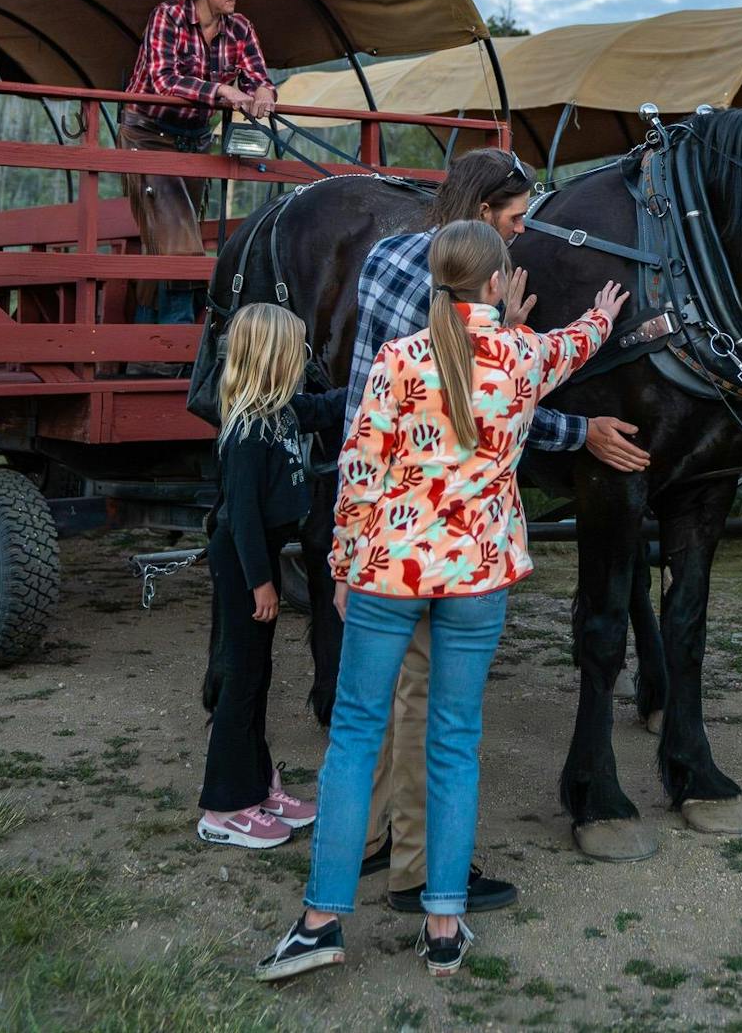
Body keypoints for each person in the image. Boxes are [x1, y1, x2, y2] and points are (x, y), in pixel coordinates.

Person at [255, 220, 628, 983]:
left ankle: (320, 922)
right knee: (454, 744)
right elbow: (576, 344)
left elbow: (359, 474)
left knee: (354, 741)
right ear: (495, 284)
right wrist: (605, 313)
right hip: (478, 579)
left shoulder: (397, 361)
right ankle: (445, 926)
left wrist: (343, 568)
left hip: (388, 574)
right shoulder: (523, 356)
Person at [345, 147, 649, 918]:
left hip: (382, 535)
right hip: (456, 554)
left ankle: (364, 849)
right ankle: (421, 876)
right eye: (514, 220)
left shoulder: (387, 263)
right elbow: (484, 405)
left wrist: (345, 556)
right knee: (432, 712)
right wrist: (577, 417)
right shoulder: (501, 343)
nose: (521, 232)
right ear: (484, 218)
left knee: (374, 708)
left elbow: (414, 409)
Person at [196, 302, 347, 850]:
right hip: (243, 562)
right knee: (240, 679)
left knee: (257, 675)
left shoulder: (282, 410)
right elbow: (239, 518)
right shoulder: (247, 432)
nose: (305, 359)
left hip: (256, 557)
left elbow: (327, 407)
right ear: (274, 358)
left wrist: (383, 374)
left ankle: (257, 785)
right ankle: (224, 806)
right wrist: (261, 582)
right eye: (297, 350)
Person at [121, 0, 275, 330]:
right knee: (179, 235)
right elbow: (164, 80)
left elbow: (258, 77)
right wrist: (222, 90)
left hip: (195, 137)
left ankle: (145, 341)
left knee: (171, 236)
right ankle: (181, 334)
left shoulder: (239, 27)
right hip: (149, 134)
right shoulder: (168, 16)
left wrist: (263, 93)